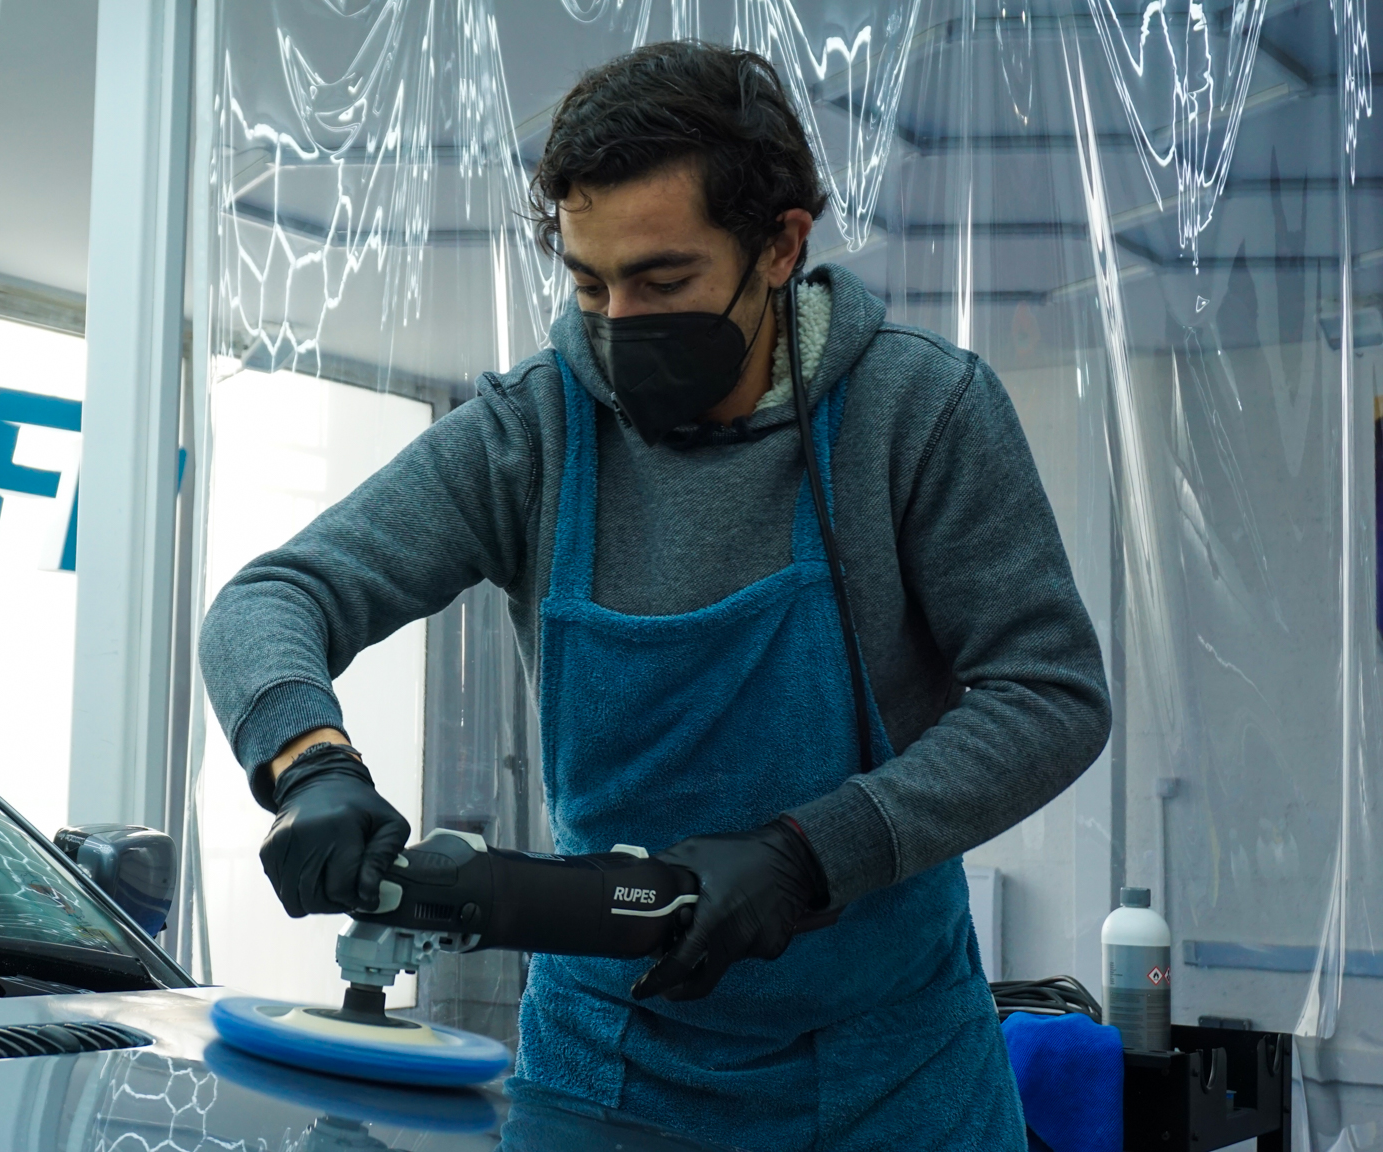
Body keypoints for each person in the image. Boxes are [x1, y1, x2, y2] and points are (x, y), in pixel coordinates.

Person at [198, 39, 1110, 1151]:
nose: (619, 320)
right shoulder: (529, 436)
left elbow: (1047, 693)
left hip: (894, 1072)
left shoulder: (917, 412)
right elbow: (272, 599)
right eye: (589, 283)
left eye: (662, 280)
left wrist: (810, 852)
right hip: (607, 1070)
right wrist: (309, 762)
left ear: (779, 246)